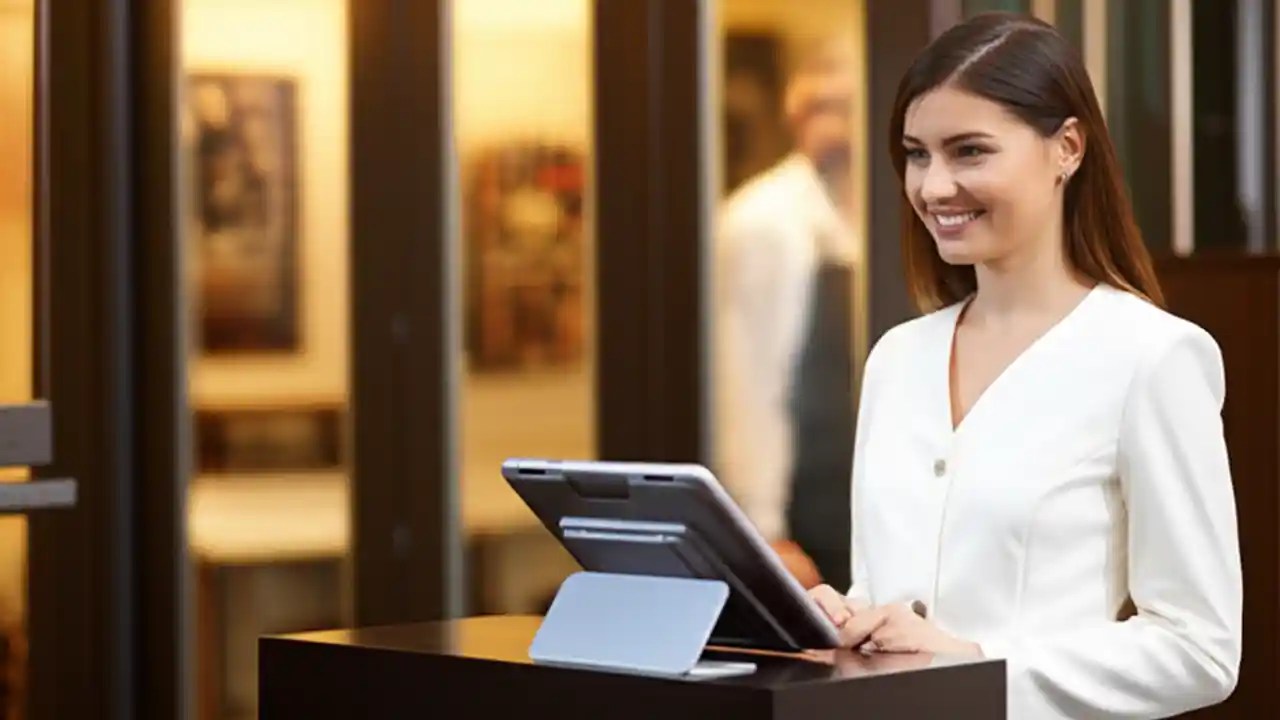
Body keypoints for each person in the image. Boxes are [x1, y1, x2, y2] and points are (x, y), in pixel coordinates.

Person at [806, 13, 1242, 719]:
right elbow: (890, 598)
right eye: (917, 154)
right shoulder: (898, 358)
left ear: (1067, 147)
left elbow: (1201, 649)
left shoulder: (1152, 357)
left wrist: (979, 666)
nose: (934, 186)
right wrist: (839, 623)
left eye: (969, 151)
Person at [715, 39, 860, 591]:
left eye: (842, 107)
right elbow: (749, 376)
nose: (831, 126)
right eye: (815, 108)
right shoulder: (764, 219)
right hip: (804, 511)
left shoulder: (882, 209)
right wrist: (763, 528)